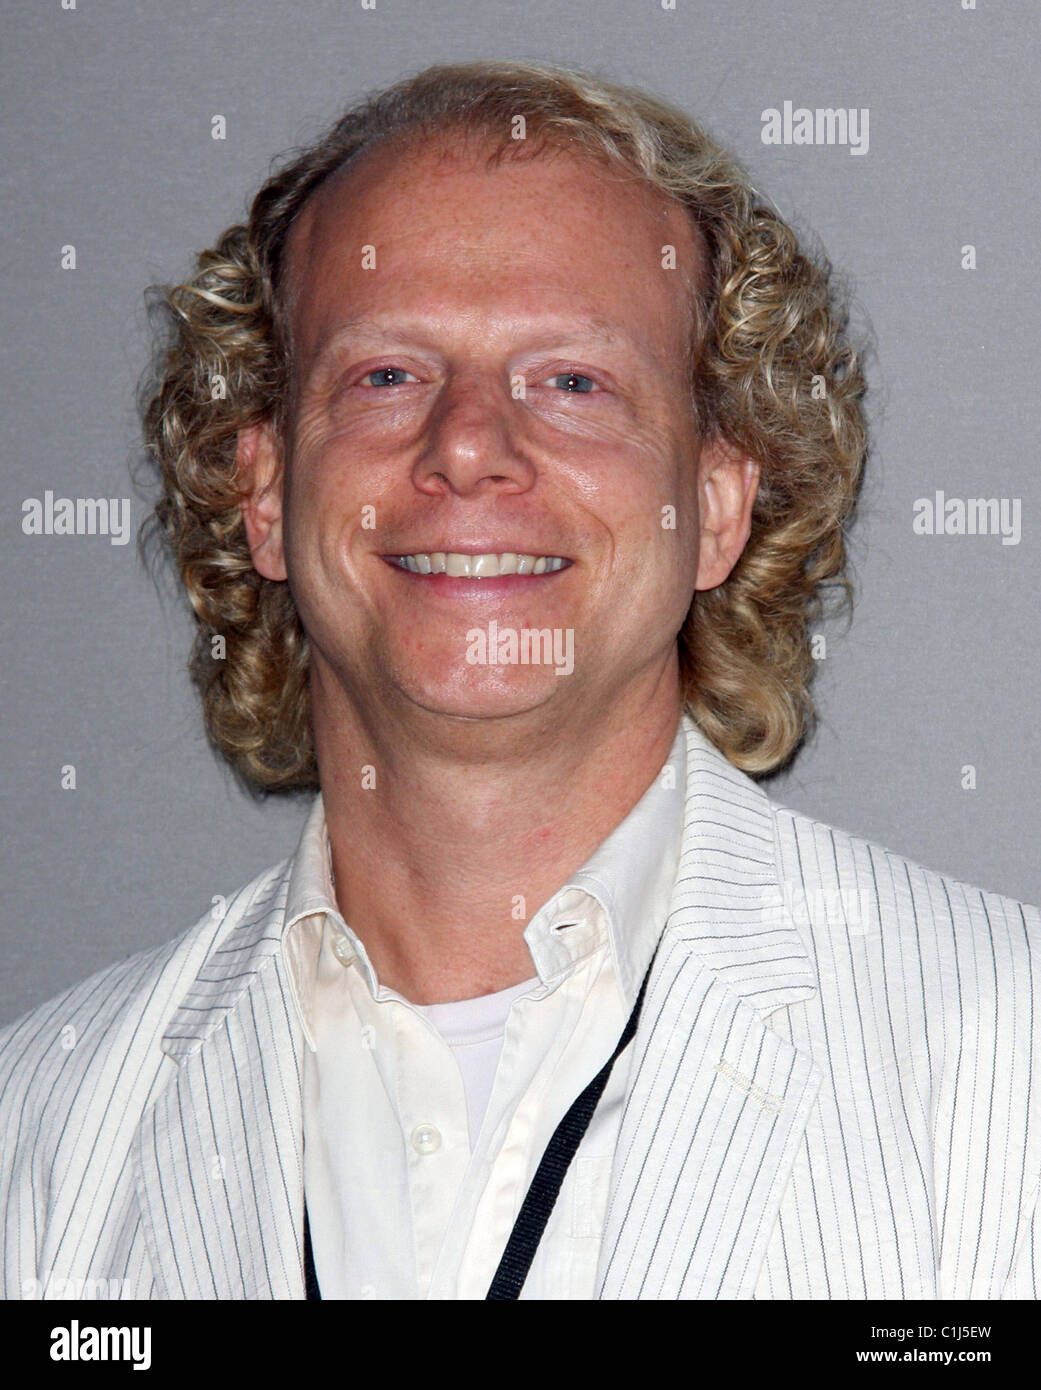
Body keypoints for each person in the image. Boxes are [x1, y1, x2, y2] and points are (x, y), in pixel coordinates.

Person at [1, 59, 1037, 1302]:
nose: (469, 445)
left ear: (716, 504)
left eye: (573, 381)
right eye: (386, 375)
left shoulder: (1001, 1056)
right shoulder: (47, 1134)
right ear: (265, 495)